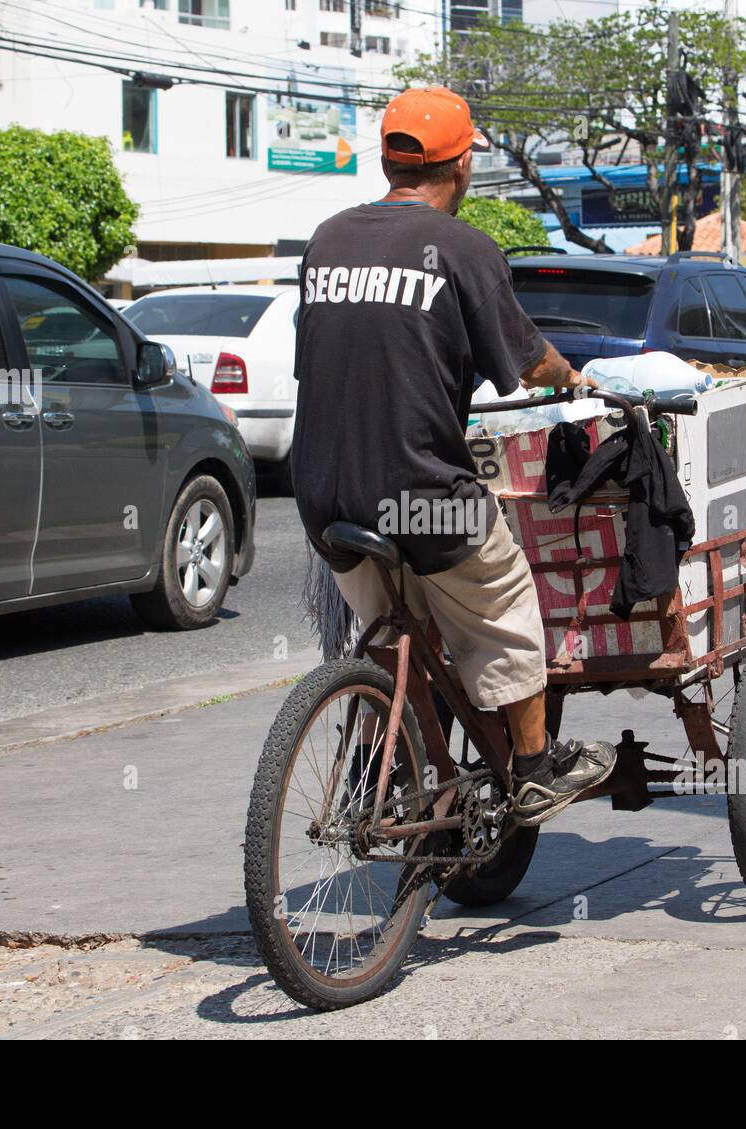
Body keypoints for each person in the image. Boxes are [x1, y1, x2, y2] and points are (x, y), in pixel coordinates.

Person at [292, 86, 616, 826]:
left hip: (323, 494)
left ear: (387, 158)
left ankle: (399, 762)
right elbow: (529, 361)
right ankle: (534, 770)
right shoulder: (464, 248)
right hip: (423, 495)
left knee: (390, 632)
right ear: (462, 163)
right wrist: (576, 379)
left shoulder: (328, 239)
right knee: (506, 602)